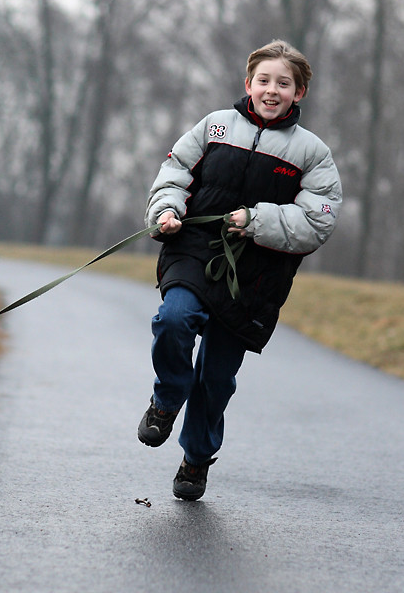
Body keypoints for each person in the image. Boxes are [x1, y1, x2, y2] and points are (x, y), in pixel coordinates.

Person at [137, 40, 342, 501]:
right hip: (193, 249)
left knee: (216, 378)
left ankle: (196, 459)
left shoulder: (313, 153)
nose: (272, 90)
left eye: (284, 83)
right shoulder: (213, 127)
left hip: (256, 275)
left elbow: (318, 221)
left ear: (300, 92)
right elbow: (174, 175)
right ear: (248, 83)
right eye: (264, 80)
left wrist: (257, 220)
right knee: (173, 320)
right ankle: (166, 400)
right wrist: (166, 212)